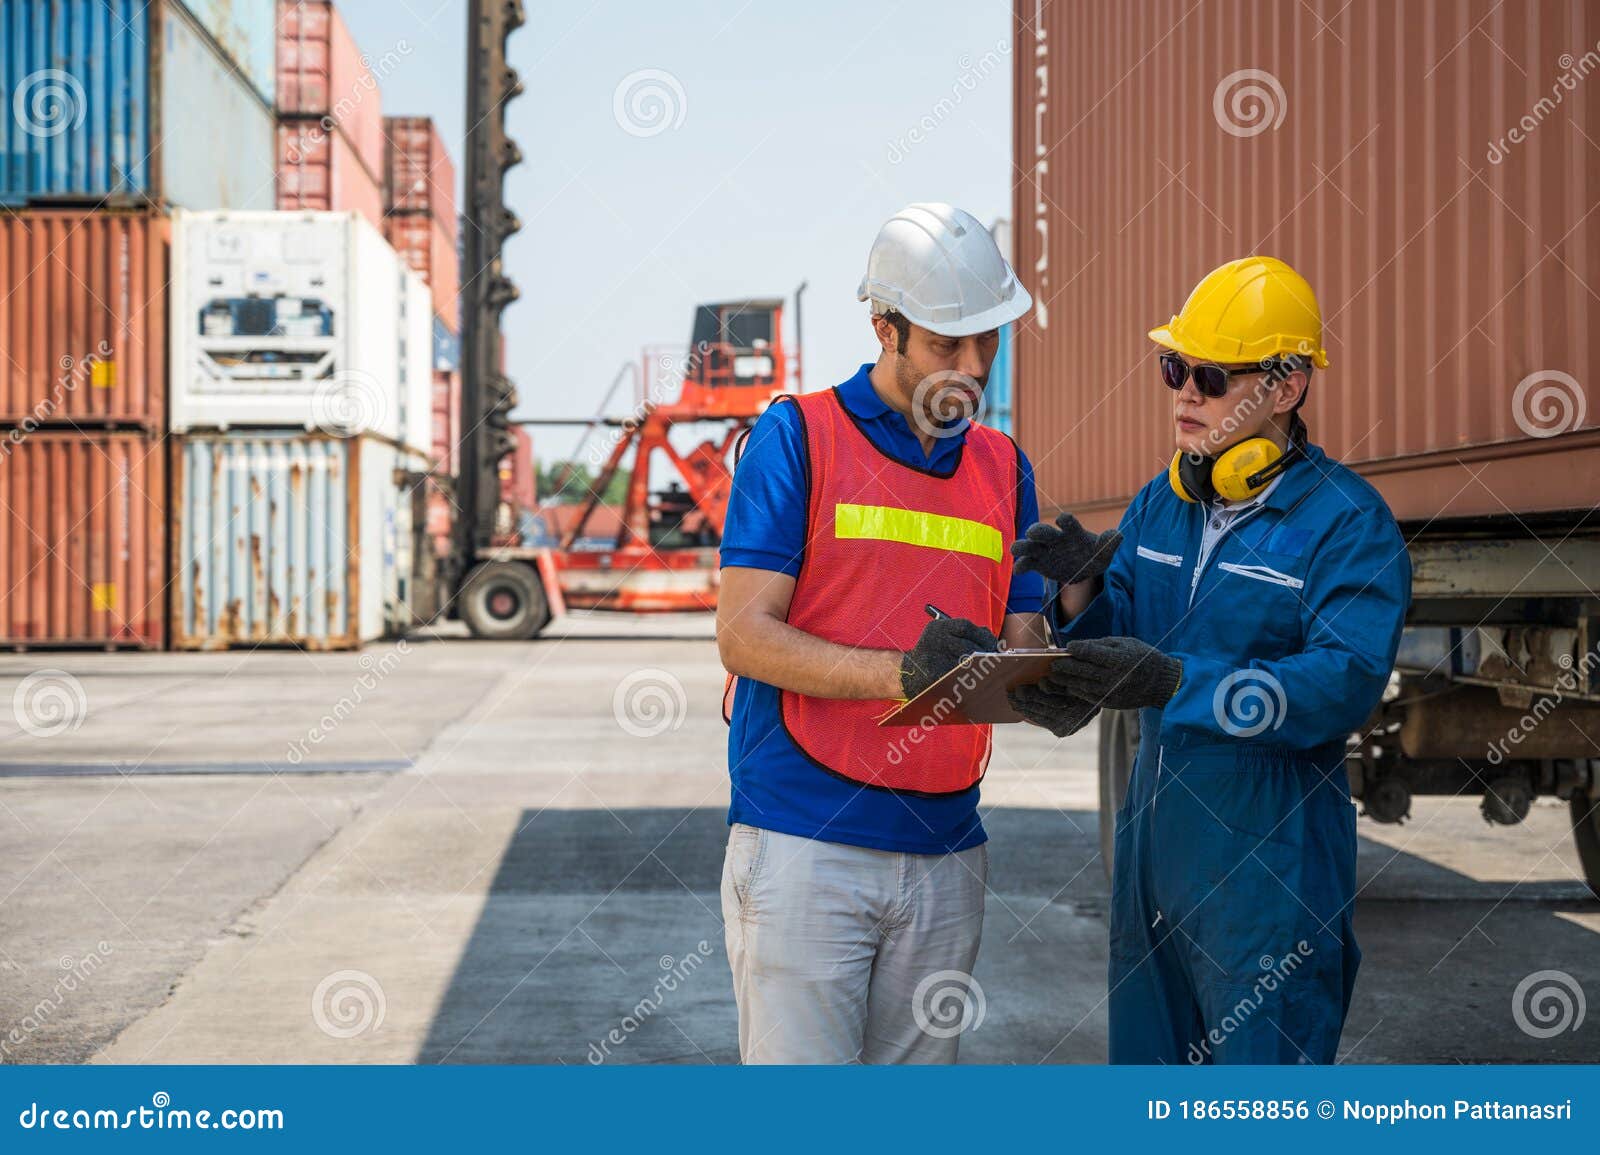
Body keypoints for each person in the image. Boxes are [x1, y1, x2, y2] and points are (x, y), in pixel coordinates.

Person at [715, 203, 1098, 1064]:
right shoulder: (798, 438)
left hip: (947, 850)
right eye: (944, 345)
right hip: (804, 842)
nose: (971, 369)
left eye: (987, 343)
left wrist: (1068, 660)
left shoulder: (1005, 467)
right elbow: (743, 635)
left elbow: (1021, 636)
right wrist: (906, 673)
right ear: (884, 327)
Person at [1013, 256, 1411, 1064]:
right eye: (1175, 368)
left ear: (1288, 385)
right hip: (1152, 865)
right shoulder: (1165, 502)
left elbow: (1343, 682)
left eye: (1212, 375)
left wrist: (1179, 683)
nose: (1185, 392)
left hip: (1270, 878)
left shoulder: (1345, 524)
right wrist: (1082, 590)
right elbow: (1115, 637)